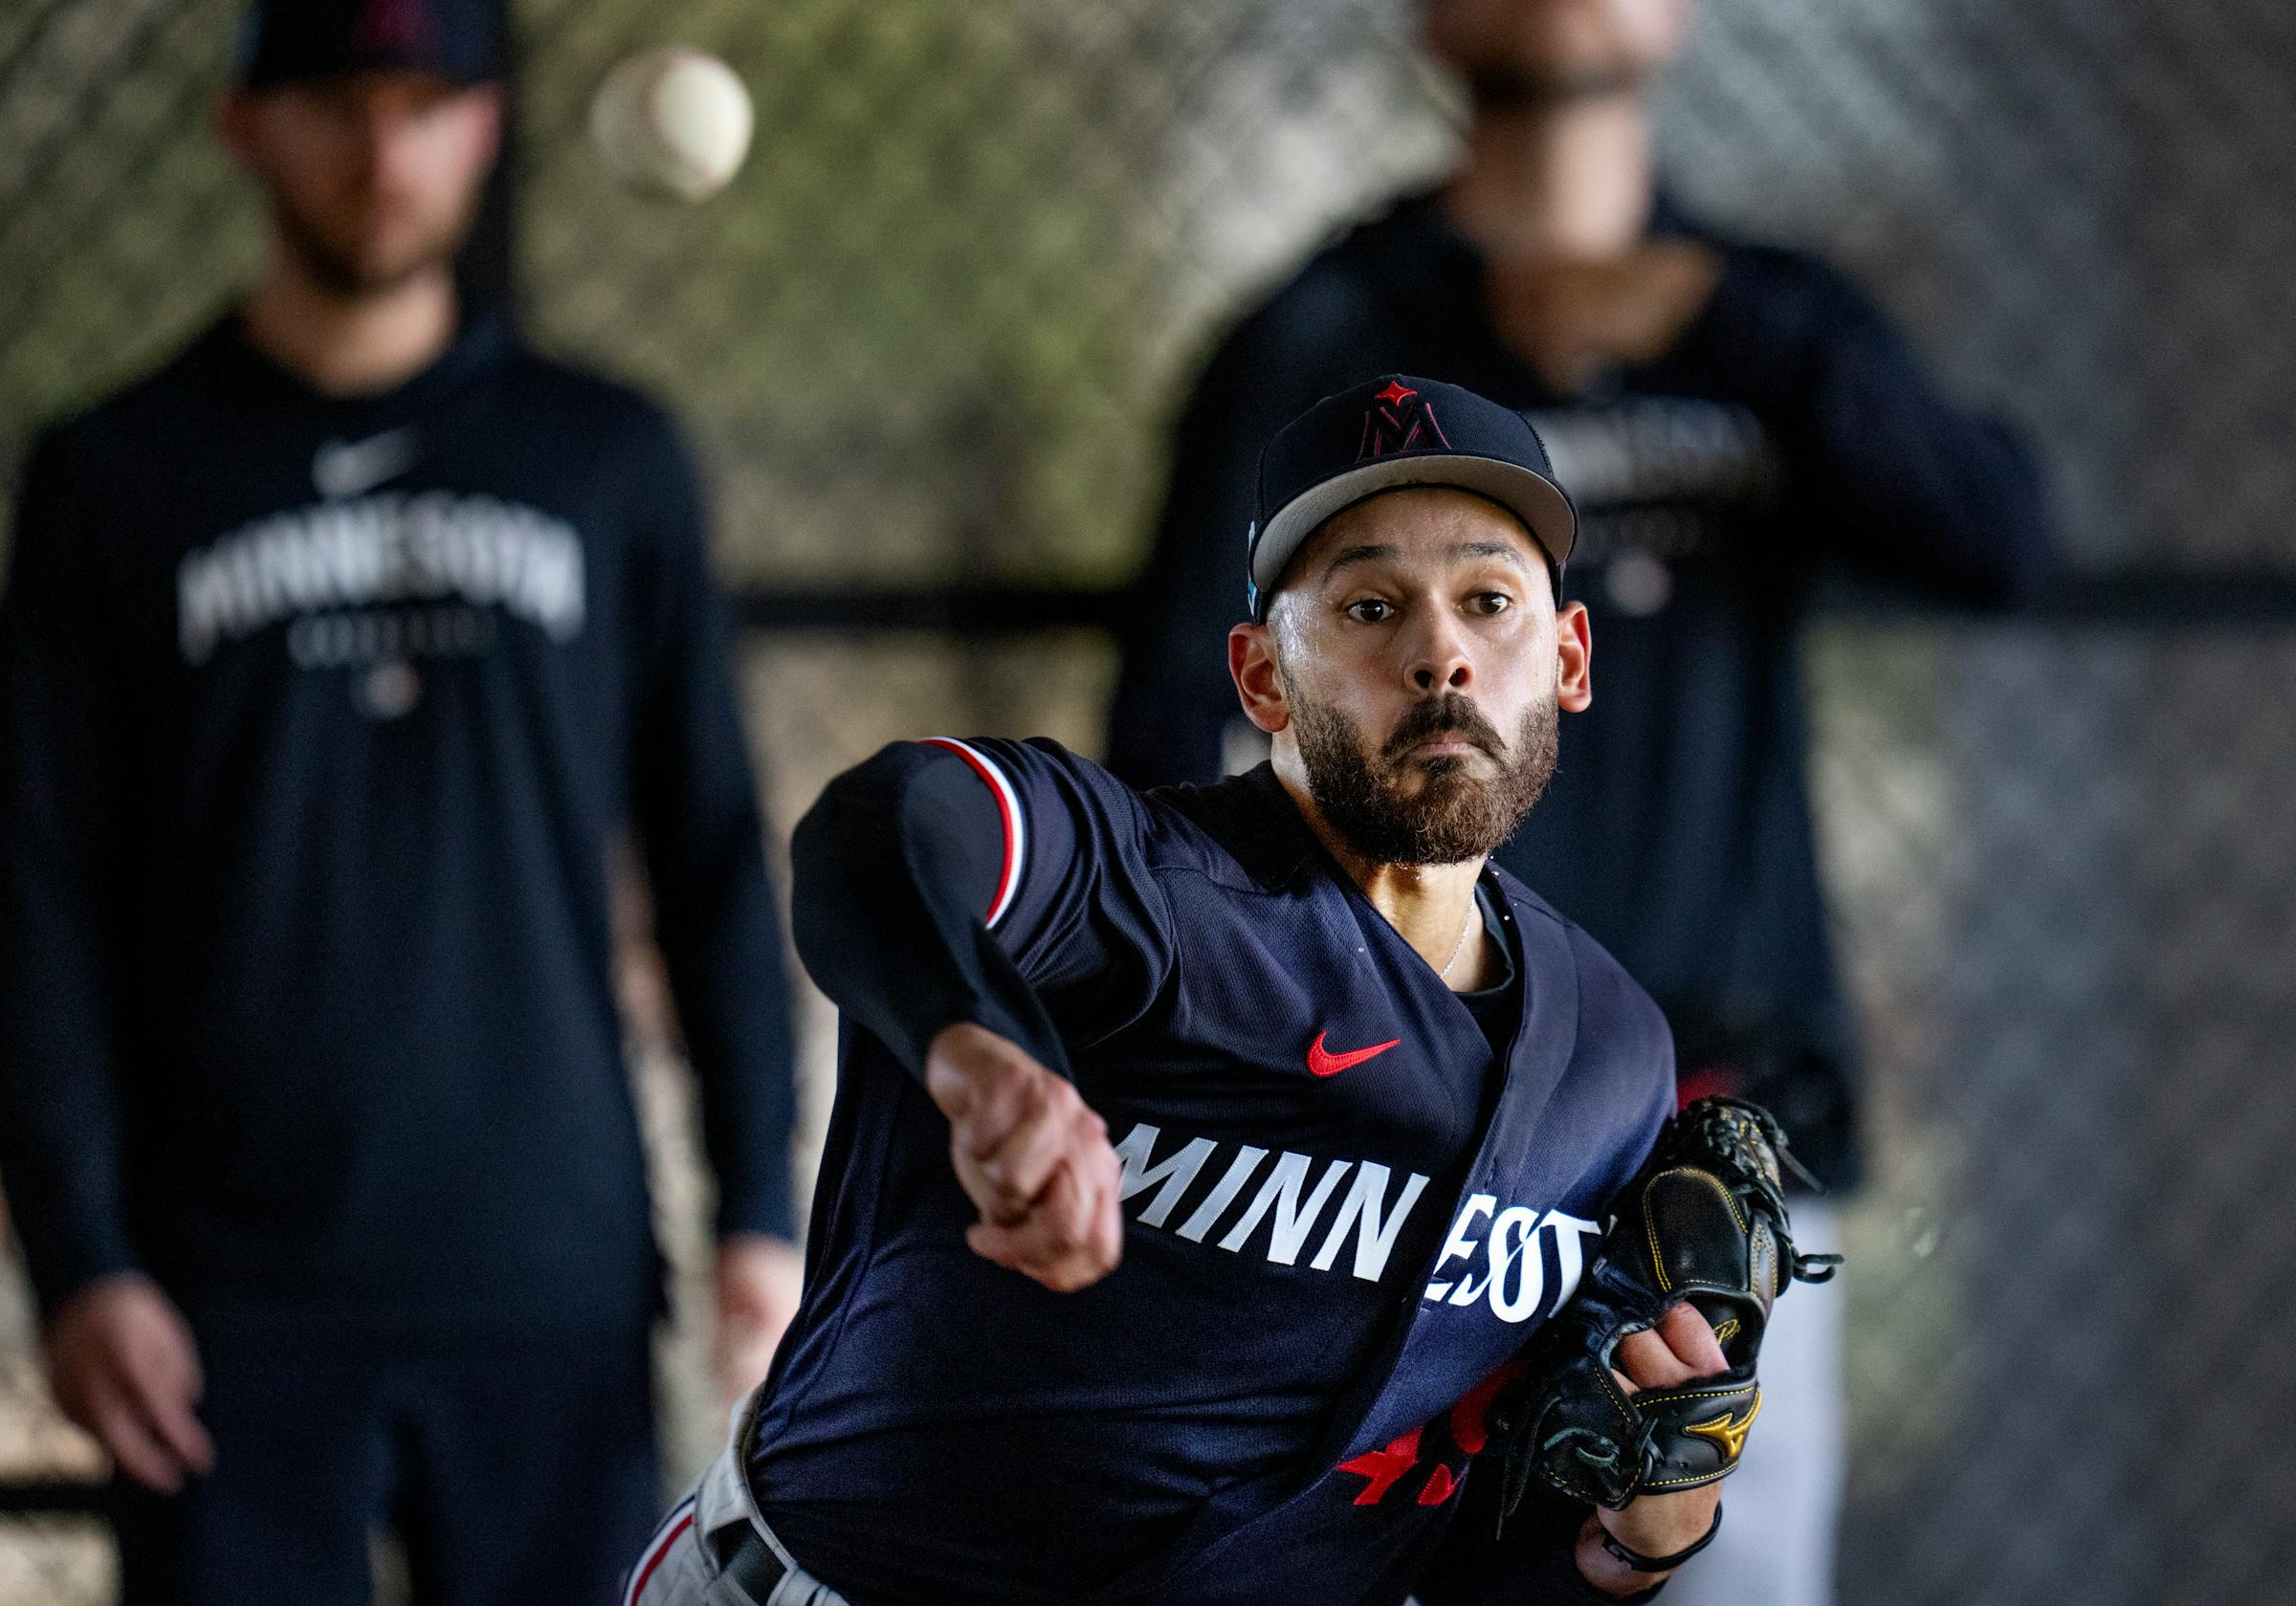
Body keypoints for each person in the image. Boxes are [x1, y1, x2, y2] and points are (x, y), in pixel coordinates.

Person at [1105, 5, 2053, 1599]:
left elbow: (1998, 541)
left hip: (1727, 1109)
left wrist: (1724, 319)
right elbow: (1160, 738)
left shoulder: (1771, 318)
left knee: (1714, 1563)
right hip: (1409, 1123)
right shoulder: (1329, 331)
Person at [629, 376, 1769, 1606]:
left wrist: (1636, 1539)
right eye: (1370, 605)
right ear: (1263, 677)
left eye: (1488, 600)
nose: (1439, 651)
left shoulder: (1612, 1059)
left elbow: (1477, 1543)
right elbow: (889, 825)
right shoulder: (1147, 889)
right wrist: (977, 1048)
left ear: (1568, 657)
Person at [0, 2, 804, 1600]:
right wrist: (82, 1254)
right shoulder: (115, 471)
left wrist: (762, 1209)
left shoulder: (608, 457)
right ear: (244, 123)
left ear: (485, 125)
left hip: (550, 1262)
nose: (382, 153)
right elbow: (34, 888)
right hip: (223, 1282)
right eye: (337, 102)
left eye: (425, 102)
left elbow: (712, 847)